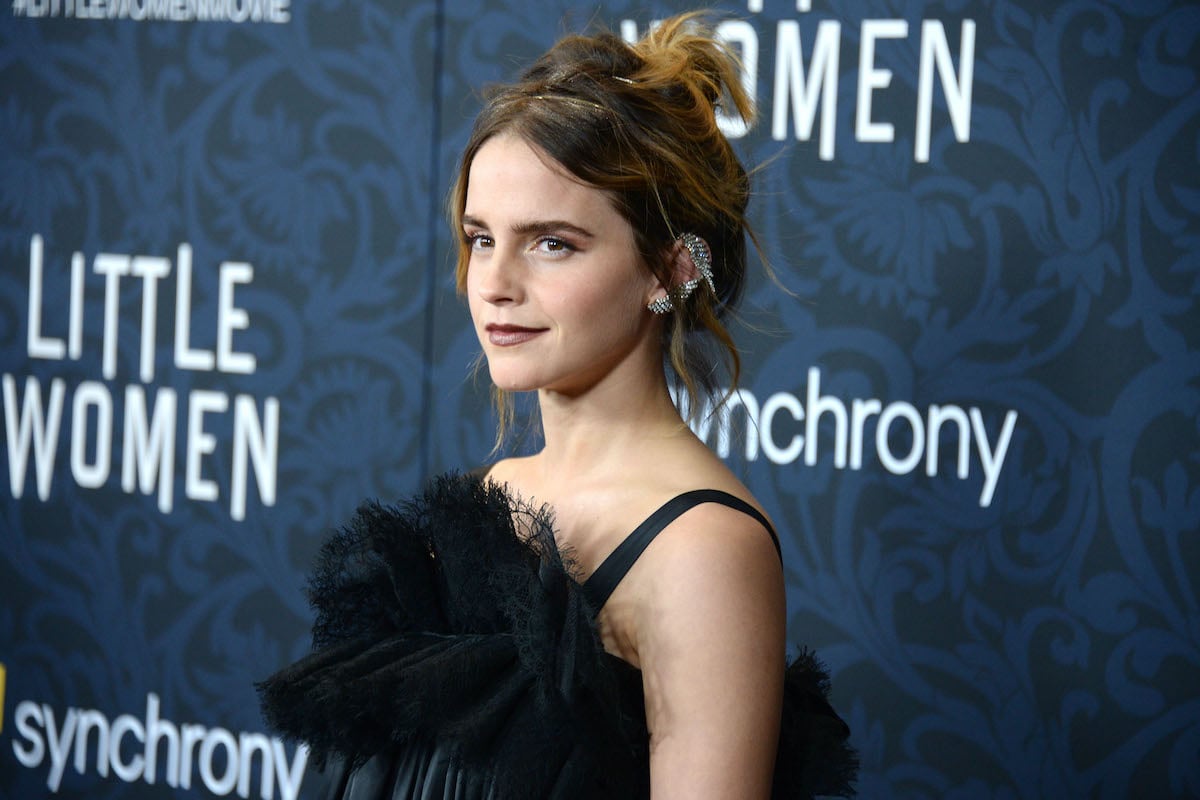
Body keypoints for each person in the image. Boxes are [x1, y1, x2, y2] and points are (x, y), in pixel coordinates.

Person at [258, 12, 856, 799]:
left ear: (670, 269)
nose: (495, 283)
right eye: (481, 238)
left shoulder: (703, 551)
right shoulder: (485, 499)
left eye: (552, 244)